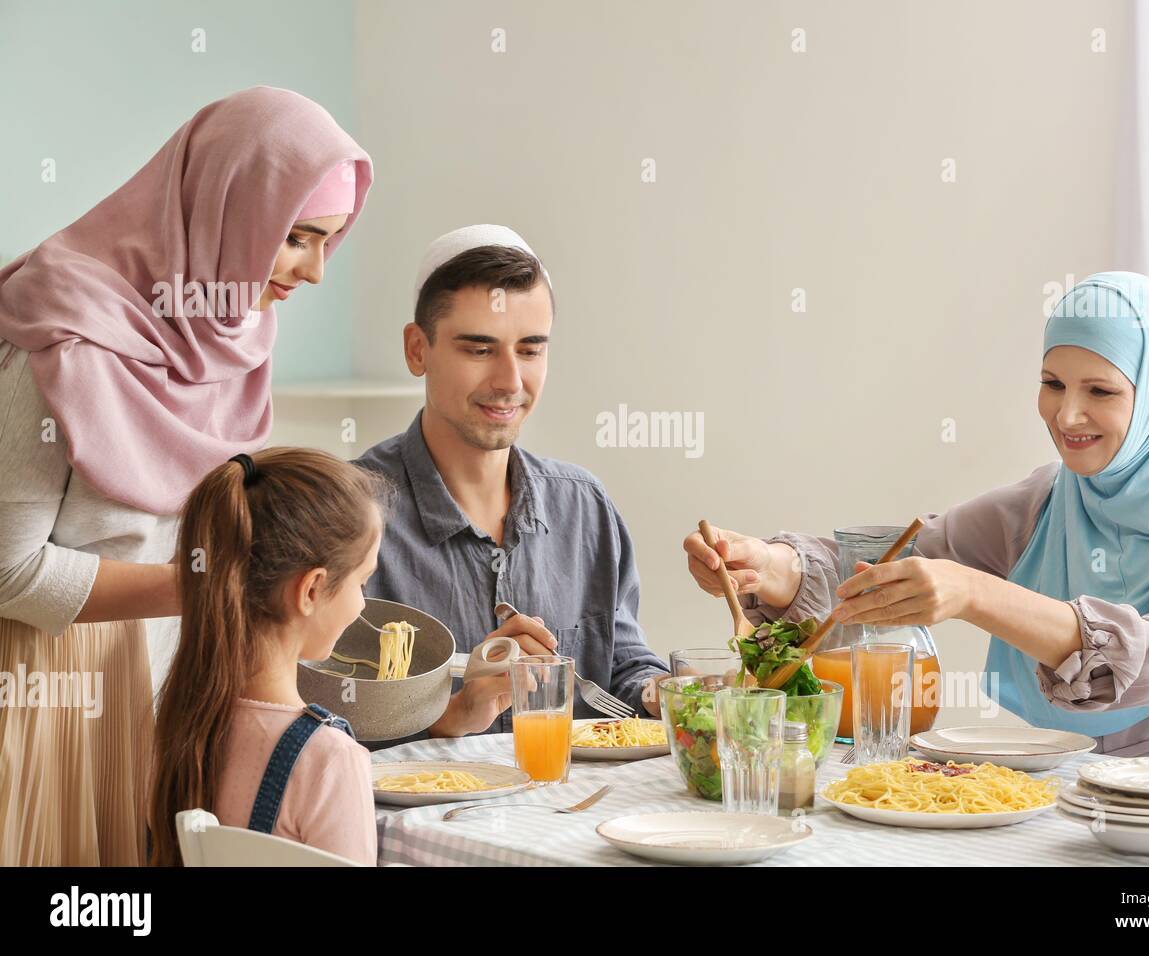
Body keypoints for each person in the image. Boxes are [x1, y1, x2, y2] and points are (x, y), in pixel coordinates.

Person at [684, 272, 1149, 775]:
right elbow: (894, 557)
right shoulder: (1049, 498)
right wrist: (770, 567)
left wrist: (973, 592)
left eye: (1101, 391)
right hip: (1069, 800)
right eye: (1052, 384)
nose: (1068, 414)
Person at [0, 86, 372, 864]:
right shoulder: (61, 334)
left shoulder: (231, 338)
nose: (313, 271)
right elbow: (8, 571)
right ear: (225, 209)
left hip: (160, 696)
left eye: (329, 242)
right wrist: (205, 582)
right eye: (297, 237)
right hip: (47, 705)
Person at [356, 225, 667, 738]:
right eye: (479, 350)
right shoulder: (346, 514)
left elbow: (623, 669)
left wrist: (669, 692)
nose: (510, 381)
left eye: (530, 350)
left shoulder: (584, 506)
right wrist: (448, 718)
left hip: (573, 817)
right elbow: (316, 723)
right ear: (418, 350)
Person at [149, 449, 386, 867]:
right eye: (361, 582)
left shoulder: (178, 723)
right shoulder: (330, 760)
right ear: (311, 590)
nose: (362, 605)